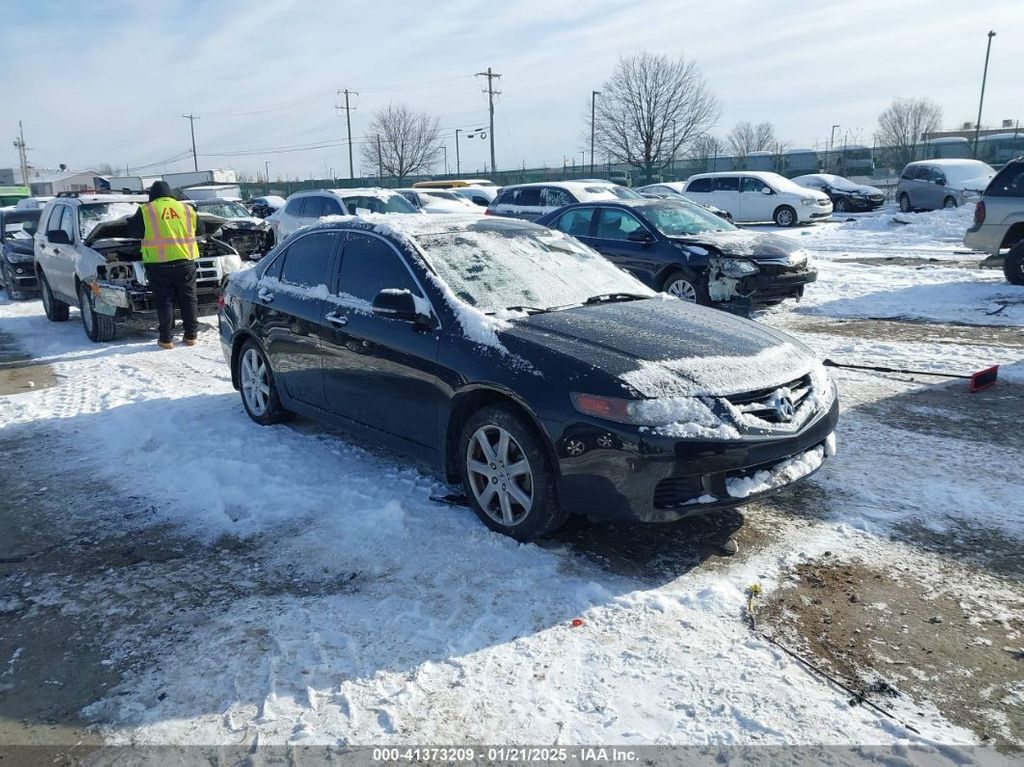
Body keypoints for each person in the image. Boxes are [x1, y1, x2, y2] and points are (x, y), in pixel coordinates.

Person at [126, 181, 200, 349]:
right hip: (185, 262)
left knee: (164, 300)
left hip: (159, 265)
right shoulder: (187, 209)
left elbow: (134, 232)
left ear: (152, 195)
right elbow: (200, 229)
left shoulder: (146, 210)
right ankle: (191, 336)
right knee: (188, 299)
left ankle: (166, 339)